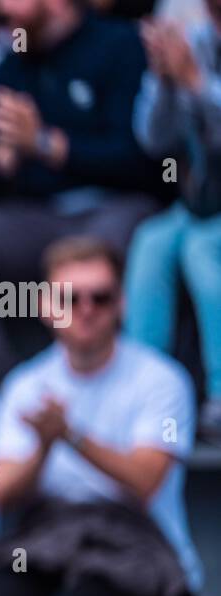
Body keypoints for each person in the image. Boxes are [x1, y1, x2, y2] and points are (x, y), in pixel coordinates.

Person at [0, 236, 200, 596]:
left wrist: (70, 435)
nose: (85, 309)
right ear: (45, 307)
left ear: (121, 304)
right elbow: (2, 496)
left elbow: (146, 482)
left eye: (100, 297)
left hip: (137, 545)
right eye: (70, 298)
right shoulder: (26, 383)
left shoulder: (162, 379)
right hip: (46, 538)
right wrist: (44, 446)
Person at [0, 0, 163, 381]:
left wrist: (48, 145)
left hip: (115, 204)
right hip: (35, 214)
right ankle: (14, 384)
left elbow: (146, 161)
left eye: (7, 8)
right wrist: (0, 159)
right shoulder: (12, 63)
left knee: (88, 267)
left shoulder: (119, 44)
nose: (1, 16)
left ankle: (111, 383)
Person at [123, 4, 221, 443]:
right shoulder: (190, 37)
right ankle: (143, 394)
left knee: (201, 249)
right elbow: (152, 139)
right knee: (151, 242)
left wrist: (196, 84)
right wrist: (163, 79)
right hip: (202, 204)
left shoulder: (195, 61)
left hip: (209, 220)